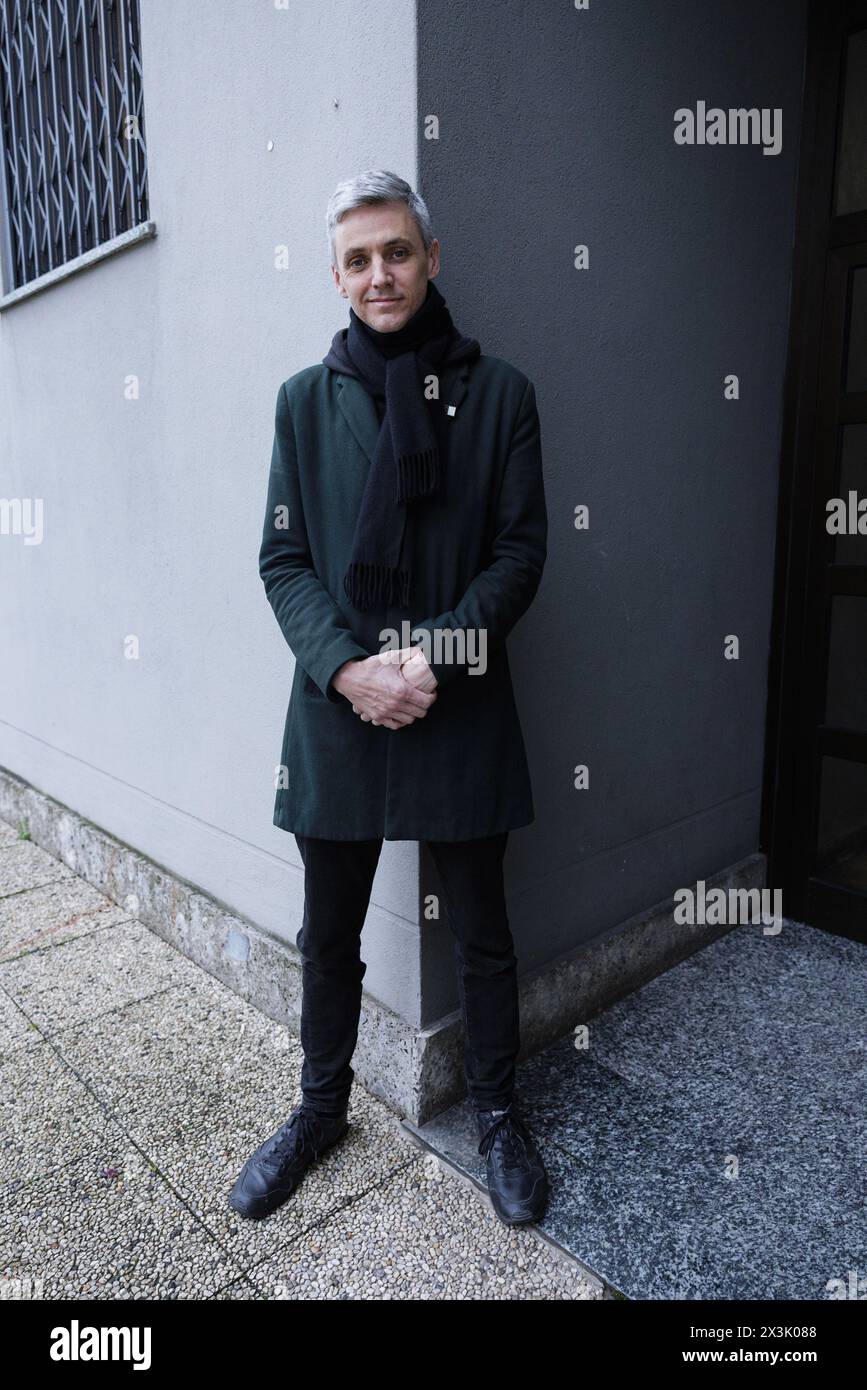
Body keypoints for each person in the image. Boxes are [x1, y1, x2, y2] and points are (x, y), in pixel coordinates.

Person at [229, 170, 548, 1227]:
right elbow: (283, 561)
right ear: (336, 274)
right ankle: (321, 1109)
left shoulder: (500, 394)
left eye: (397, 252)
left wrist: (432, 658)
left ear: (431, 258)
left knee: (484, 934)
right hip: (340, 711)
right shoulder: (298, 402)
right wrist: (352, 669)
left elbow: (519, 553)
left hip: (454, 702)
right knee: (329, 934)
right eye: (359, 258)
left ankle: (499, 1112)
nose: (380, 274)